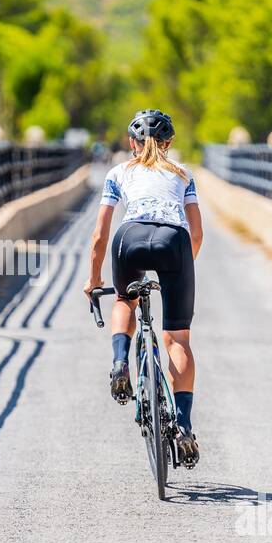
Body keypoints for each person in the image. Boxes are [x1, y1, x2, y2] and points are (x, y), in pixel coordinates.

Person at [84, 109, 202, 463]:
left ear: (132, 143)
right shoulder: (183, 174)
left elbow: (99, 235)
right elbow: (196, 234)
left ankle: (121, 362)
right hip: (174, 241)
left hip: (129, 237)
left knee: (124, 300)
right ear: (169, 143)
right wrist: (178, 273)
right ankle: (183, 426)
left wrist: (93, 280)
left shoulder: (118, 172)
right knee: (177, 338)